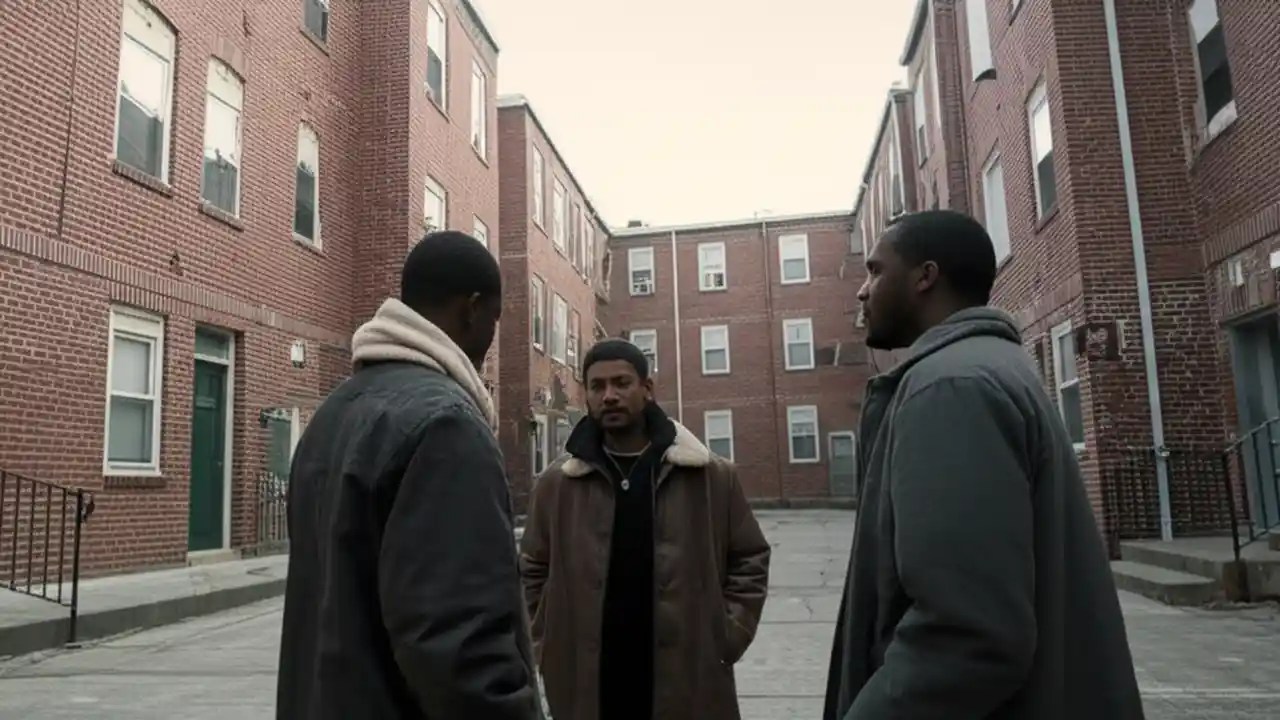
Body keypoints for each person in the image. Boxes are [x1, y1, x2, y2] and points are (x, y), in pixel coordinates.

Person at [825, 210, 1145, 720]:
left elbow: (966, 635)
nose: (863, 291)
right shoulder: (989, 367)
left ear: (925, 277)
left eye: (876, 270)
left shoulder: (951, 387)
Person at [277, 231, 543, 720]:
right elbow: (460, 646)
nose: (491, 337)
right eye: (494, 320)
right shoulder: (447, 427)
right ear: (472, 309)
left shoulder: (332, 415)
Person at [519, 339, 771, 720]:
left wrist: (728, 632)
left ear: (647, 389)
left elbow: (749, 556)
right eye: (597, 386)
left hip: (687, 679)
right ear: (585, 395)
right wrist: (546, 643)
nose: (609, 396)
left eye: (622, 383)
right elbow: (532, 569)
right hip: (590, 683)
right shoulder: (558, 485)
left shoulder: (709, 476)